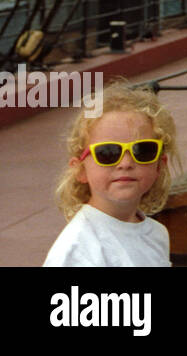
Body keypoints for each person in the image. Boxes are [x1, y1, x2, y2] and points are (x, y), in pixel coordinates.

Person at [45, 81, 178, 266]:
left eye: (142, 151)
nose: (126, 163)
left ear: (159, 166)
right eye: (107, 153)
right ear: (81, 170)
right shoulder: (78, 251)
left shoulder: (157, 234)